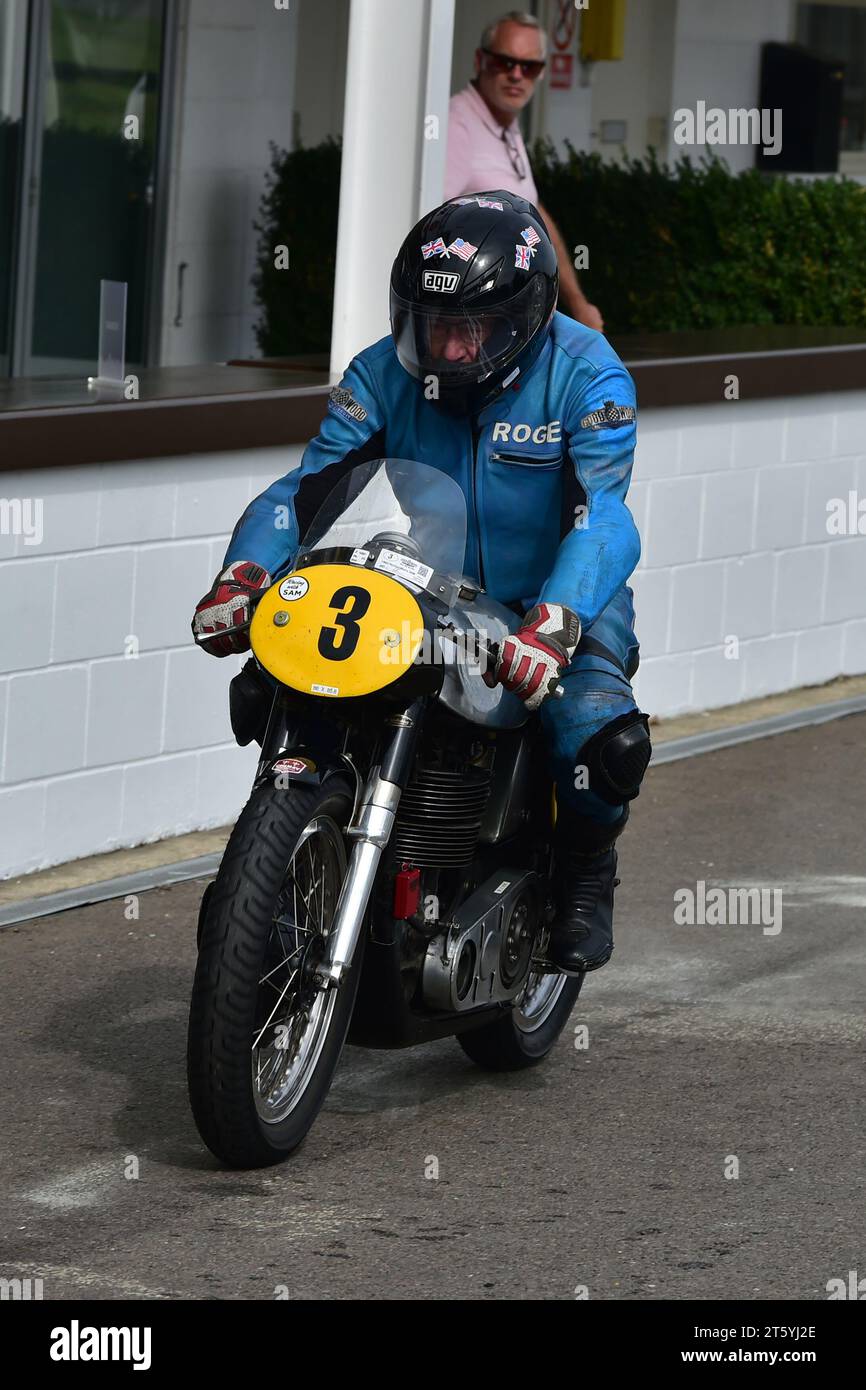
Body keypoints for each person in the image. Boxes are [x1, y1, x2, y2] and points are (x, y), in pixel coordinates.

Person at [192, 193, 650, 976]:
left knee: (598, 738)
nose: (449, 345)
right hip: (431, 582)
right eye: (432, 322)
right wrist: (244, 577)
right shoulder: (381, 371)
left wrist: (553, 625)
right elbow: (305, 488)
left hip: (560, 591)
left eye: (474, 326)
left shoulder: (588, 376)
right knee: (279, 681)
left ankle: (583, 874)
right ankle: (275, 865)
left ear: (529, 312)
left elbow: (603, 518)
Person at [446, 10, 603, 331]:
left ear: (541, 73)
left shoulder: (506, 125)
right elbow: (430, 226)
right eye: (505, 62)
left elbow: (534, 214)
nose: (517, 74)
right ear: (480, 61)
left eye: (529, 67)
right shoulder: (455, 125)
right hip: (474, 327)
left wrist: (578, 304)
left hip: (514, 324)